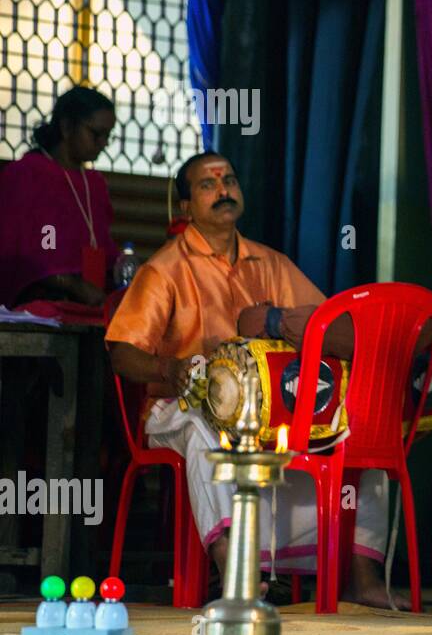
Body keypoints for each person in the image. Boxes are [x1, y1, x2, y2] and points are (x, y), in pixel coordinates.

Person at [105, 151, 412, 607]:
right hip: (179, 406)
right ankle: (236, 571)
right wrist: (171, 368)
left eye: (229, 179)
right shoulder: (164, 269)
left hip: (269, 411)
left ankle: (361, 577)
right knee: (203, 427)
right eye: (208, 185)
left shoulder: (271, 263)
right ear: (185, 207)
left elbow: (329, 324)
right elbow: (121, 352)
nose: (223, 189)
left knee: (354, 430)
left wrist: (279, 322)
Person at [0, 87, 118, 307]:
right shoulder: (29, 174)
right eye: (96, 134)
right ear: (66, 127)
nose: (102, 143)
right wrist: (69, 284)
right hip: (39, 302)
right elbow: (36, 247)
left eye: (108, 135)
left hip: (91, 299)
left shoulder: (94, 183)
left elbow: (101, 241)